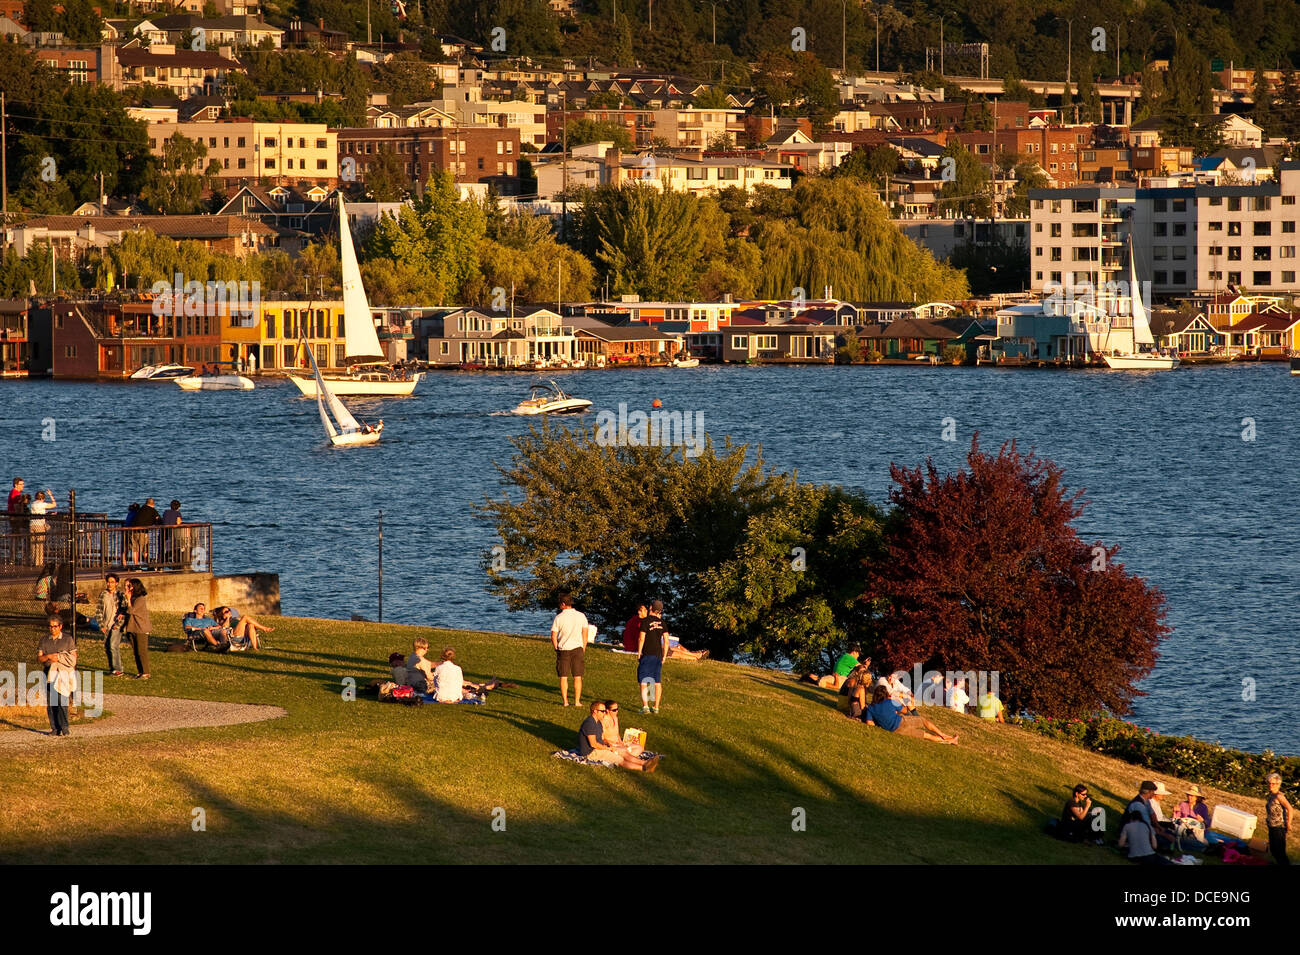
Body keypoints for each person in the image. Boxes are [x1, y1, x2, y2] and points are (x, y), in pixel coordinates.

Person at [576, 701, 659, 771]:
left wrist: (610, 746)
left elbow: (601, 739)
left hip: (601, 747)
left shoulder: (597, 722)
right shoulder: (589, 723)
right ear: (595, 711)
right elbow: (593, 744)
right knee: (620, 760)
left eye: (605, 711)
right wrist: (608, 748)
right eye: (602, 711)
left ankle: (645, 763)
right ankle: (643, 768)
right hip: (592, 752)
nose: (604, 713)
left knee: (623, 752)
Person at [863, 684, 958, 744]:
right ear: (886, 694)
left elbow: (869, 723)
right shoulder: (890, 701)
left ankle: (950, 741)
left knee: (926, 735)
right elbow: (904, 711)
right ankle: (943, 735)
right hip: (902, 721)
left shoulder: (871, 708)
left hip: (896, 731)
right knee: (923, 721)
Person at [37, 615, 77, 737]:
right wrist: (48, 657)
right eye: (50, 626)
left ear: (60, 626)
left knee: (62, 700)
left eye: (55, 626)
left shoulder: (67, 639)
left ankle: (65, 728)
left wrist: (60, 658)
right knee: (51, 701)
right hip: (49, 672)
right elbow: (39, 657)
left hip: (63, 673)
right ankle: (54, 728)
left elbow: (74, 657)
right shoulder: (44, 640)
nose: (52, 629)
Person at [550, 593, 589, 708]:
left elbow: (553, 636)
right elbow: (585, 634)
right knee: (578, 676)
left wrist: (556, 647)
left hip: (564, 650)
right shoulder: (581, 616)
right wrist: (583, 647)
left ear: (563, 604)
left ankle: (565, 701)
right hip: (578, 648)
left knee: (563, 676)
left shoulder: (559, 618)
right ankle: (577, 701)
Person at [432, 647, 500, 702]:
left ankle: (487, 684)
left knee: (467, 684)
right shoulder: (457, 668)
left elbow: (435, 682)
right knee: (467, 684)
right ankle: (488, 685)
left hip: (441, 696)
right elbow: (460, 683)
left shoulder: (438, 668)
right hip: (454, 696)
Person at [637, 598, 667, 714]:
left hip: (647, 654)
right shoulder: (662, 623)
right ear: (659, 611)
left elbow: (641, 638)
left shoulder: (645, 622)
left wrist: (639, 653)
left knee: (644, 680)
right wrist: (664, 657)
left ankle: (645, 706)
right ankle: (656, 707)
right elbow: (666, 641)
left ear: (650, 608)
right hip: (658, 655)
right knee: (657, 681)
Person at [97, 573, 128, 676]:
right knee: (107, 646)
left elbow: (124, 611)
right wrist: (101, 625)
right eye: (108, 582)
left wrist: (118, 625)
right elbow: (99, 611)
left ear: (116, 583)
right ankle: (112, 668)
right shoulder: (103, 595)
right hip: (107, 625)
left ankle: (118, 669)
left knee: (113, 646)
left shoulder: (120, 595)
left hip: (116, 625)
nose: (109, 584)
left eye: (112, 582)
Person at [122, 578, 151, 679]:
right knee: (135, 651)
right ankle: (140, 671)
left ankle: (146, 672)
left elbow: (131, 610)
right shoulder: (131, 598)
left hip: (140, 628)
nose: (127, 588)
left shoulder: (140, 599)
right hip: (131, 628)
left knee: (141, 651)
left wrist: (128, 599)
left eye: (129, 586)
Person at [1265, 772, 1292, 865]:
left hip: (1279, 827)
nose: (1270, 785)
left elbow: (1290, 809)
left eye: (1273, 783)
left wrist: (1288, 823)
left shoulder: (1279, 796)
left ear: (1278, 784)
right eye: (1269, 783)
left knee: (1280, 852)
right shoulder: (1271, 795)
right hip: (1272, 826)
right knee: (1273, 850)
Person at [28, 489, 56, 566]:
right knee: (40, 544)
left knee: (33, 544)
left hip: (32, 525)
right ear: (42, 498)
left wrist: (47, 513)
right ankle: (39, 562)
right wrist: (51, 495)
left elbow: (37, 512)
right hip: (40, 525)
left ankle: (33, 561)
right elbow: (54, 505)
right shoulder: (42, 504)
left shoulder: (32, 504)